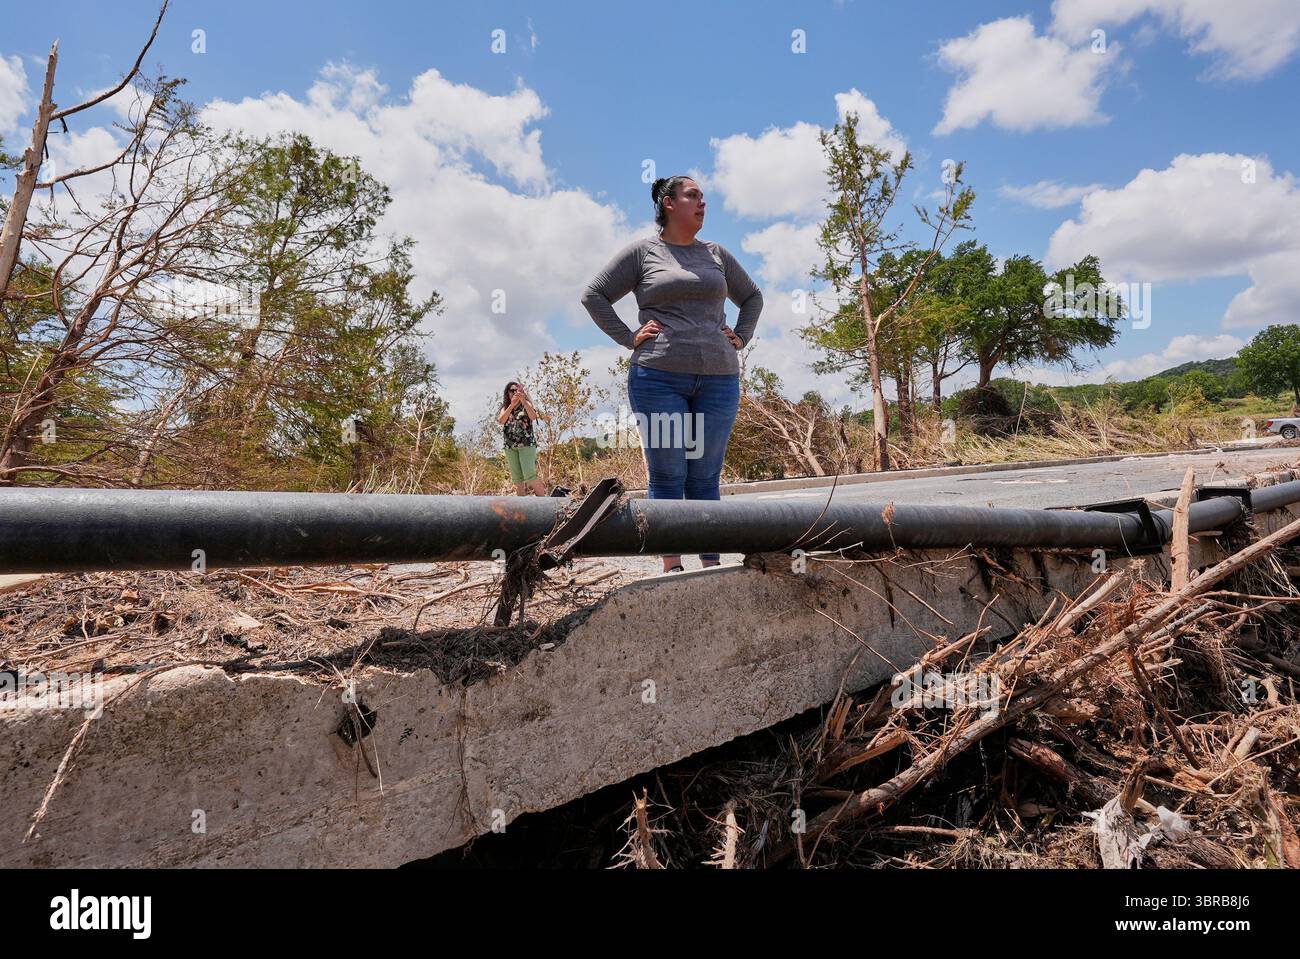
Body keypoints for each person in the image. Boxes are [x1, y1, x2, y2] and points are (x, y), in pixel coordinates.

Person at [580, 174, 763, 573]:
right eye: (693, 196)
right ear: (669, 204)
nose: (702, 203)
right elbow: (593, 295)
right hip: (659, 378)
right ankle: (672, 565)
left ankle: (711, 562)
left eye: (703, 197)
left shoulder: (716, 254)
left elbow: (752, 297)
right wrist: (629, 338)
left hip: (718, 379)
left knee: (705, 475)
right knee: (669, 471)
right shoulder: (643, 254)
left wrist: (742, 335)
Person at [497, 382, 548, 495]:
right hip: (510, 446)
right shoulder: (505, 407)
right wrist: (511, 405)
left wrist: (523, 401)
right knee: (517, 478)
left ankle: (544, 502)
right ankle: (521, 508)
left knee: (530, 475)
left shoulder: (527, 404)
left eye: (517, 390)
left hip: (526, 444)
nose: (514, 392)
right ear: (507, 393)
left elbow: (533, 417)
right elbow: (501, 421)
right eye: (512, 390)